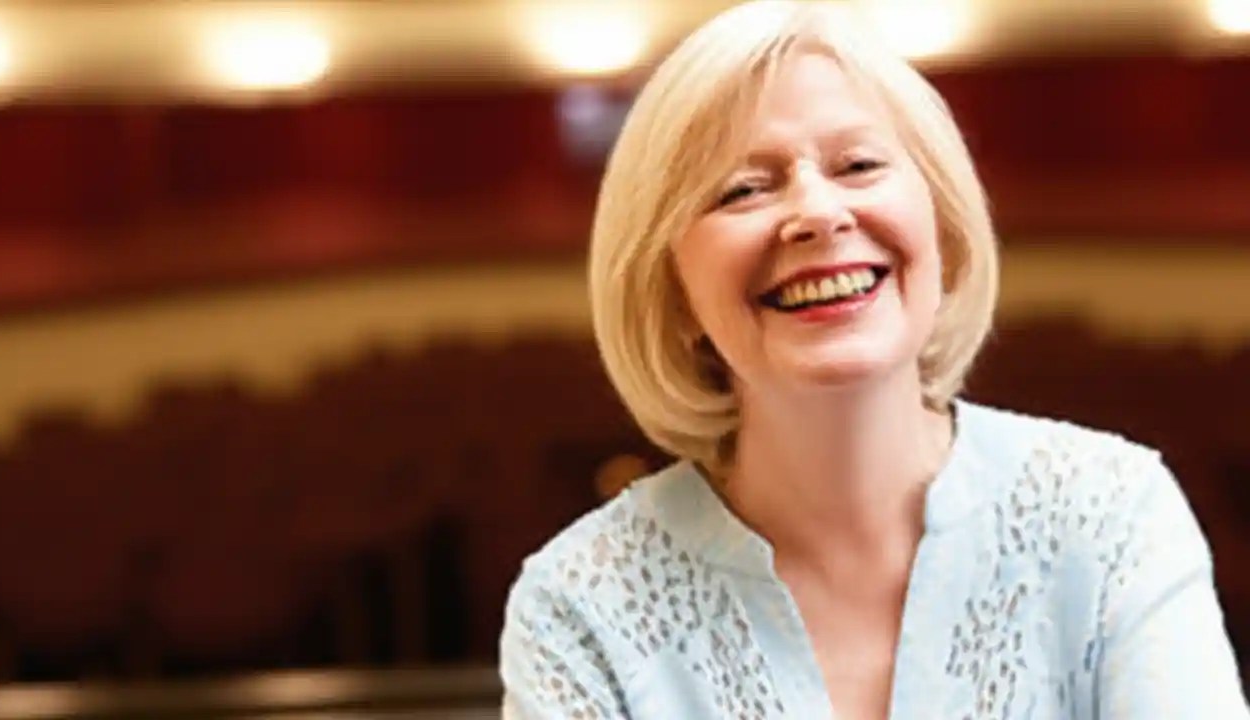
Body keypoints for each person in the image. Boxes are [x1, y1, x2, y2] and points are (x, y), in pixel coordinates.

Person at [498, 1, 1248, 717]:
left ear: (943, 227)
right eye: (743, 189)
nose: (819, 213)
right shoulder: (580, 606)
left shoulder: (1113, 512)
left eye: (857, 165)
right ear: (675, 296)